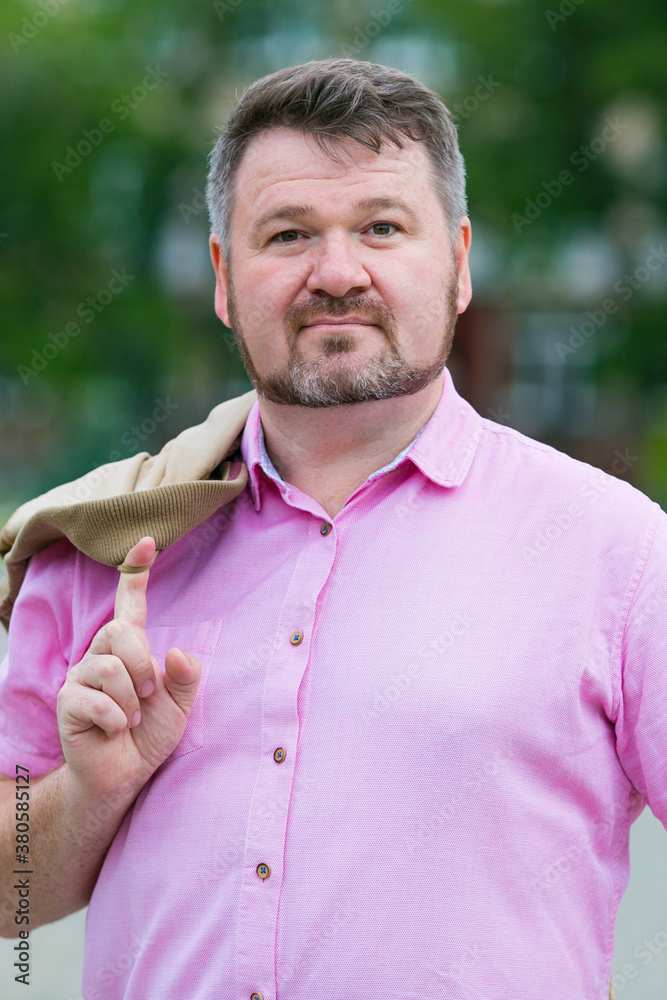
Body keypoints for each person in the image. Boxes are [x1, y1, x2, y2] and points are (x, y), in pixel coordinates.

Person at [0, 57, 656, 1000]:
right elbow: (11, 895)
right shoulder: (104, 544)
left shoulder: (617, 552)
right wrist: (85, 797)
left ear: (460, 262)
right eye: (288, 234)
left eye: (382, 228)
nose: (335, 272)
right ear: (226, 278)